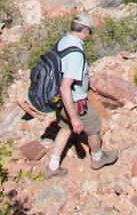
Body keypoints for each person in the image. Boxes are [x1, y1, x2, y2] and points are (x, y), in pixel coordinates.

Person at [46, 14, 118, 178]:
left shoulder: (64, 41)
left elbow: (64, 69)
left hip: (58, 99)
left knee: (65, 128)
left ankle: (52, 166)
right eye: (89, 32)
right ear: (85, 30)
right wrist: (74, 117)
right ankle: (98, 158)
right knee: (94, 126)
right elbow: (65, 86)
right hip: (74, 101)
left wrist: (86, 81)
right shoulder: (76, 53)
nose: (88, 36)